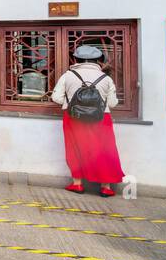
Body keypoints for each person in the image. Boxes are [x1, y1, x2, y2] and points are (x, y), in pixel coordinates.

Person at [51, 43, 124, 197]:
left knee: (74, 148)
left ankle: (77, 184)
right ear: (98, 60)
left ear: (76, 59)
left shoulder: (68, 75)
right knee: (105, 150)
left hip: (73, 118)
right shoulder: (106, 78)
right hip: (101, 119)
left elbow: (56, 98)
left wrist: (71, 103)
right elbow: (112, 103)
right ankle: (106, 187)